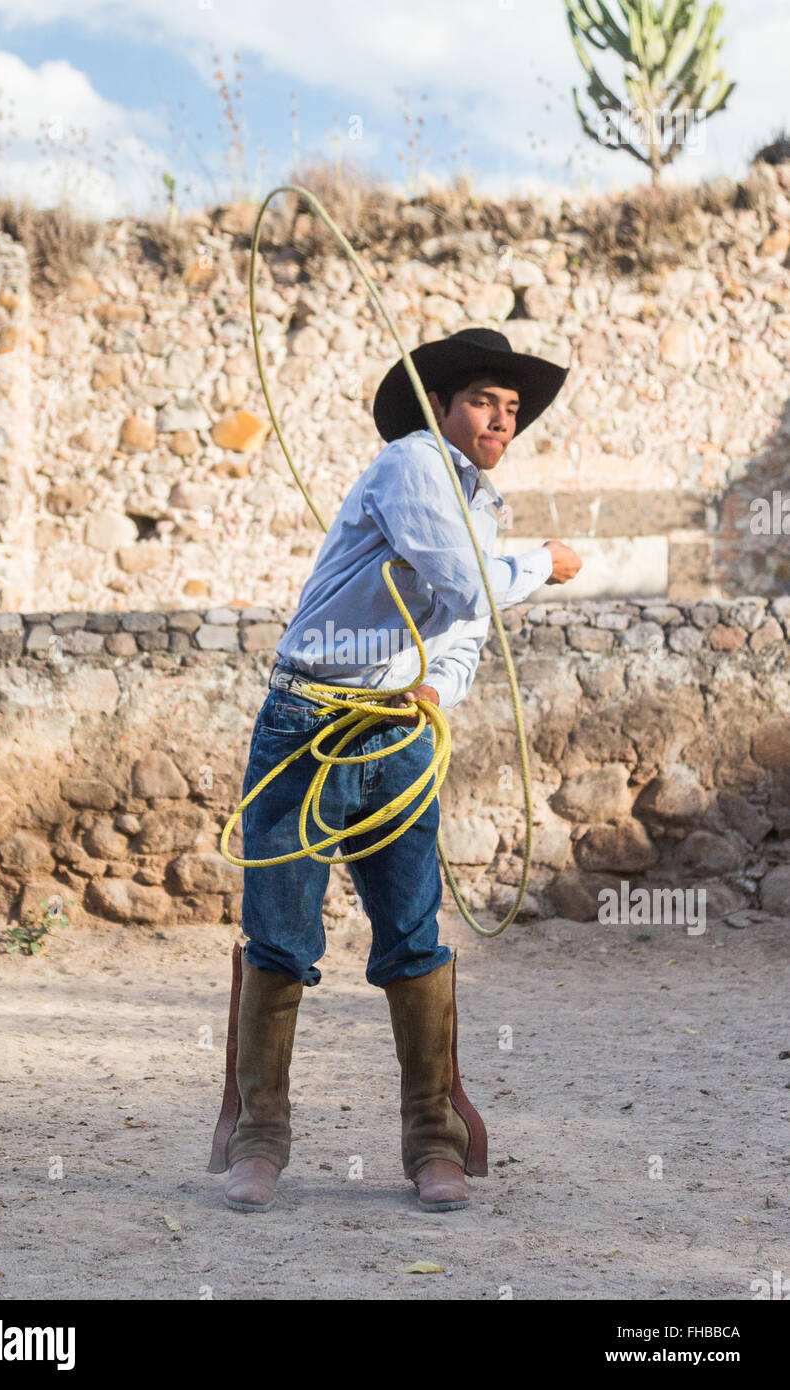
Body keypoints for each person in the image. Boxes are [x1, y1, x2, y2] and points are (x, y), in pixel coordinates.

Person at [208, 327, 582, 1213]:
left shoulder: (481, 506)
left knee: (414, 932)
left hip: (396, 730)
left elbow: (462, 633)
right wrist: (546, 563)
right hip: (309, 718)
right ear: (443, 408)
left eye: (512, 409)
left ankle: (432, 1142)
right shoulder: (412, 463)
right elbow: (463, 583)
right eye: (485, 403)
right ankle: (260, 1139)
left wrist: (437, 689)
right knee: (283, 931)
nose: (501, 421)